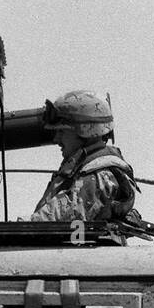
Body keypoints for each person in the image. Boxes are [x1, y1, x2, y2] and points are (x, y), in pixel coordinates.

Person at [29, 91, 138, 223]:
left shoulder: (99, 174)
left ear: (85, 131)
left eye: (62, 131)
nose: (56, 138)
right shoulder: (81, 170)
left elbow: (62, 216)